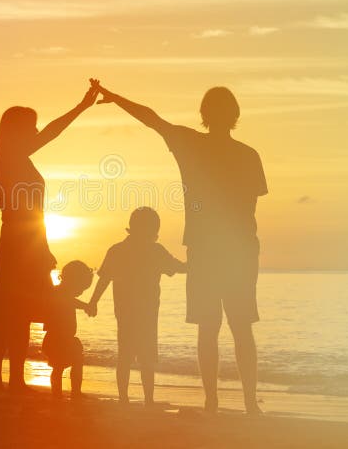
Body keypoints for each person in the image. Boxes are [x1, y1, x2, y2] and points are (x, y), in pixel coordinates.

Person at [92, 79, 267, 415]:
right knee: (240, 327)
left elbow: (151, 118)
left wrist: (115, 97)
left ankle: (212, 401)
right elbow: (250, 210)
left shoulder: (189, 143)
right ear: (234, 115)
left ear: (204, 115)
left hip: (206, 249)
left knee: (209, 327)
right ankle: (247, 403)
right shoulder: (247, 154)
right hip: (238, 251)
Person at [0, 84, 99, 393]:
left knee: (19, 311)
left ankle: (12, 379)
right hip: (18, 243)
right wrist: (81, 107)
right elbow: (52, 133)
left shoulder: (16, 159)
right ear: (17, 131)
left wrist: (45, 248)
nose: (36, 130)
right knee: (10, 311)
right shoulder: (9, 158)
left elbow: (34, 216)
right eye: (31, 126)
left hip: (27, 242)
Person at [88, 207, 187, 406]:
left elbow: (104, 279)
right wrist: (201, 262)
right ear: (153, 230)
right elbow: (179, 267)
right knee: (146, 359)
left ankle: (125, 398)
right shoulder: (154, 250)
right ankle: (148, 400)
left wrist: (93, 301)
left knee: (125, 355)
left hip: (125, 313)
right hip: (146, 314)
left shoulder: (117, 250)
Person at [42, 260, 94, 399]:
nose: (81, 292)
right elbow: (68, 301)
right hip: (55, 338)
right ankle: (57, 393)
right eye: (81, 288)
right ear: (73, 281)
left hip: (67, 339)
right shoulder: (58, 292)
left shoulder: (63, 293)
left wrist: (85, 306)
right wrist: (86, 306)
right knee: (58, 367)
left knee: (77, 361)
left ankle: (75, 392)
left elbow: (70, 301)